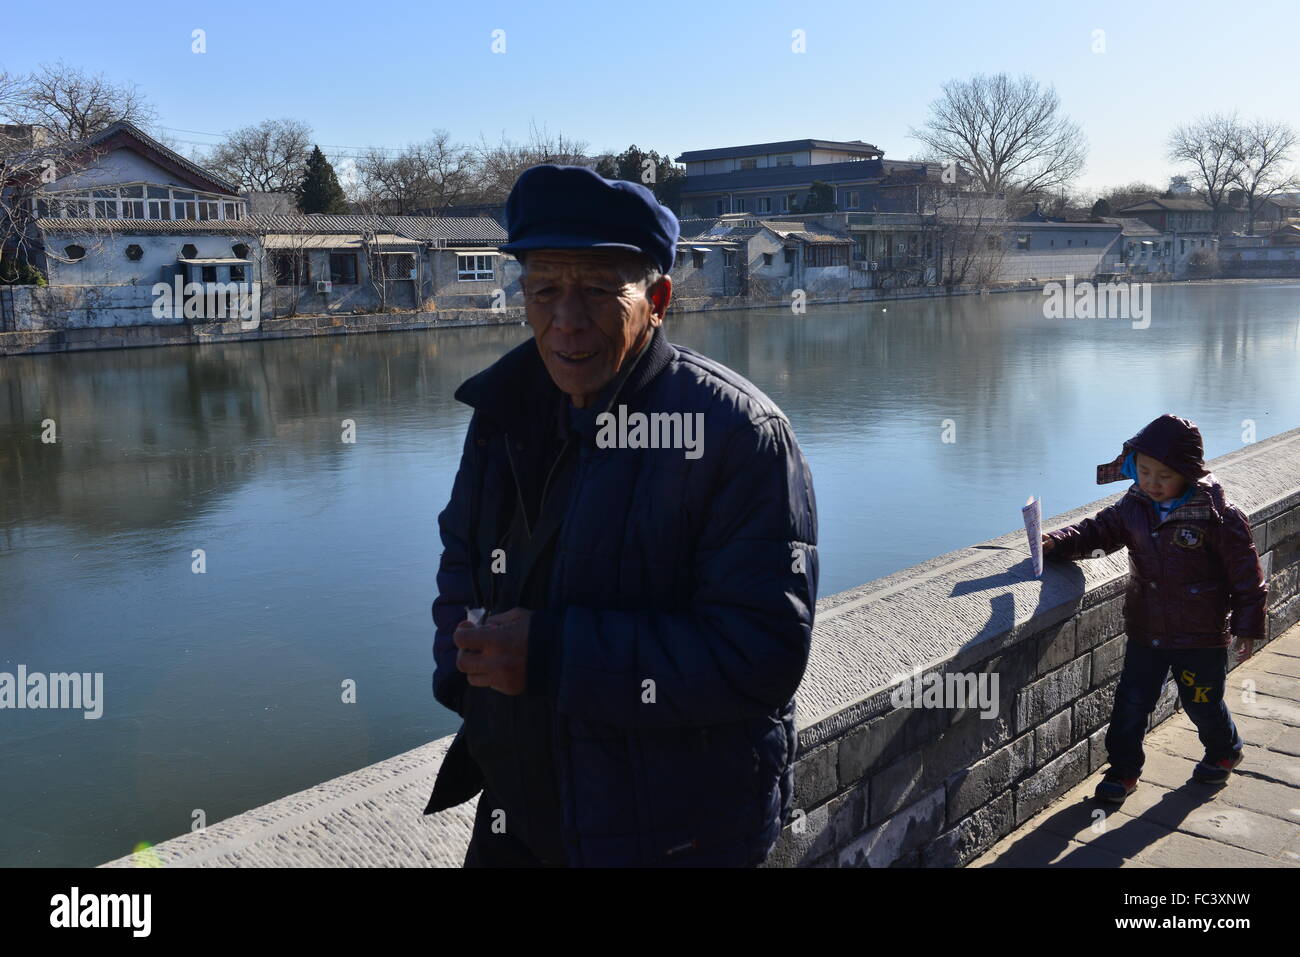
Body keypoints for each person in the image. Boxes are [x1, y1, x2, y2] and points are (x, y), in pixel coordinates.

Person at [422, 164, 819, 866]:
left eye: (599, 291)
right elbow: (462, 555)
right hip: (519, 812)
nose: (567, 320)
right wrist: (463, 665)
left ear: (659, 298)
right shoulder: (503, 412)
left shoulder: (736, 435)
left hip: (674, 831)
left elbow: (761, 654)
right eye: (545, 289)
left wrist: (550, 653)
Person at [1041, 413, 1266, 802]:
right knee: (1131, 702)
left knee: (1202, 703)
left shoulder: (1219, 518)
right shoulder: (1134, 507)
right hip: (1147, 630)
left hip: (1201, 637)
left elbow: (1247, 578)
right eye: (1144, 472)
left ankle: (1223, 749)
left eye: (1164, 475)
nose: (1152, 483)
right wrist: (1056, 543)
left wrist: (1247, 626)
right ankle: (1123, 770)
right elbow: (1096, 532)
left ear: (1187, 474)